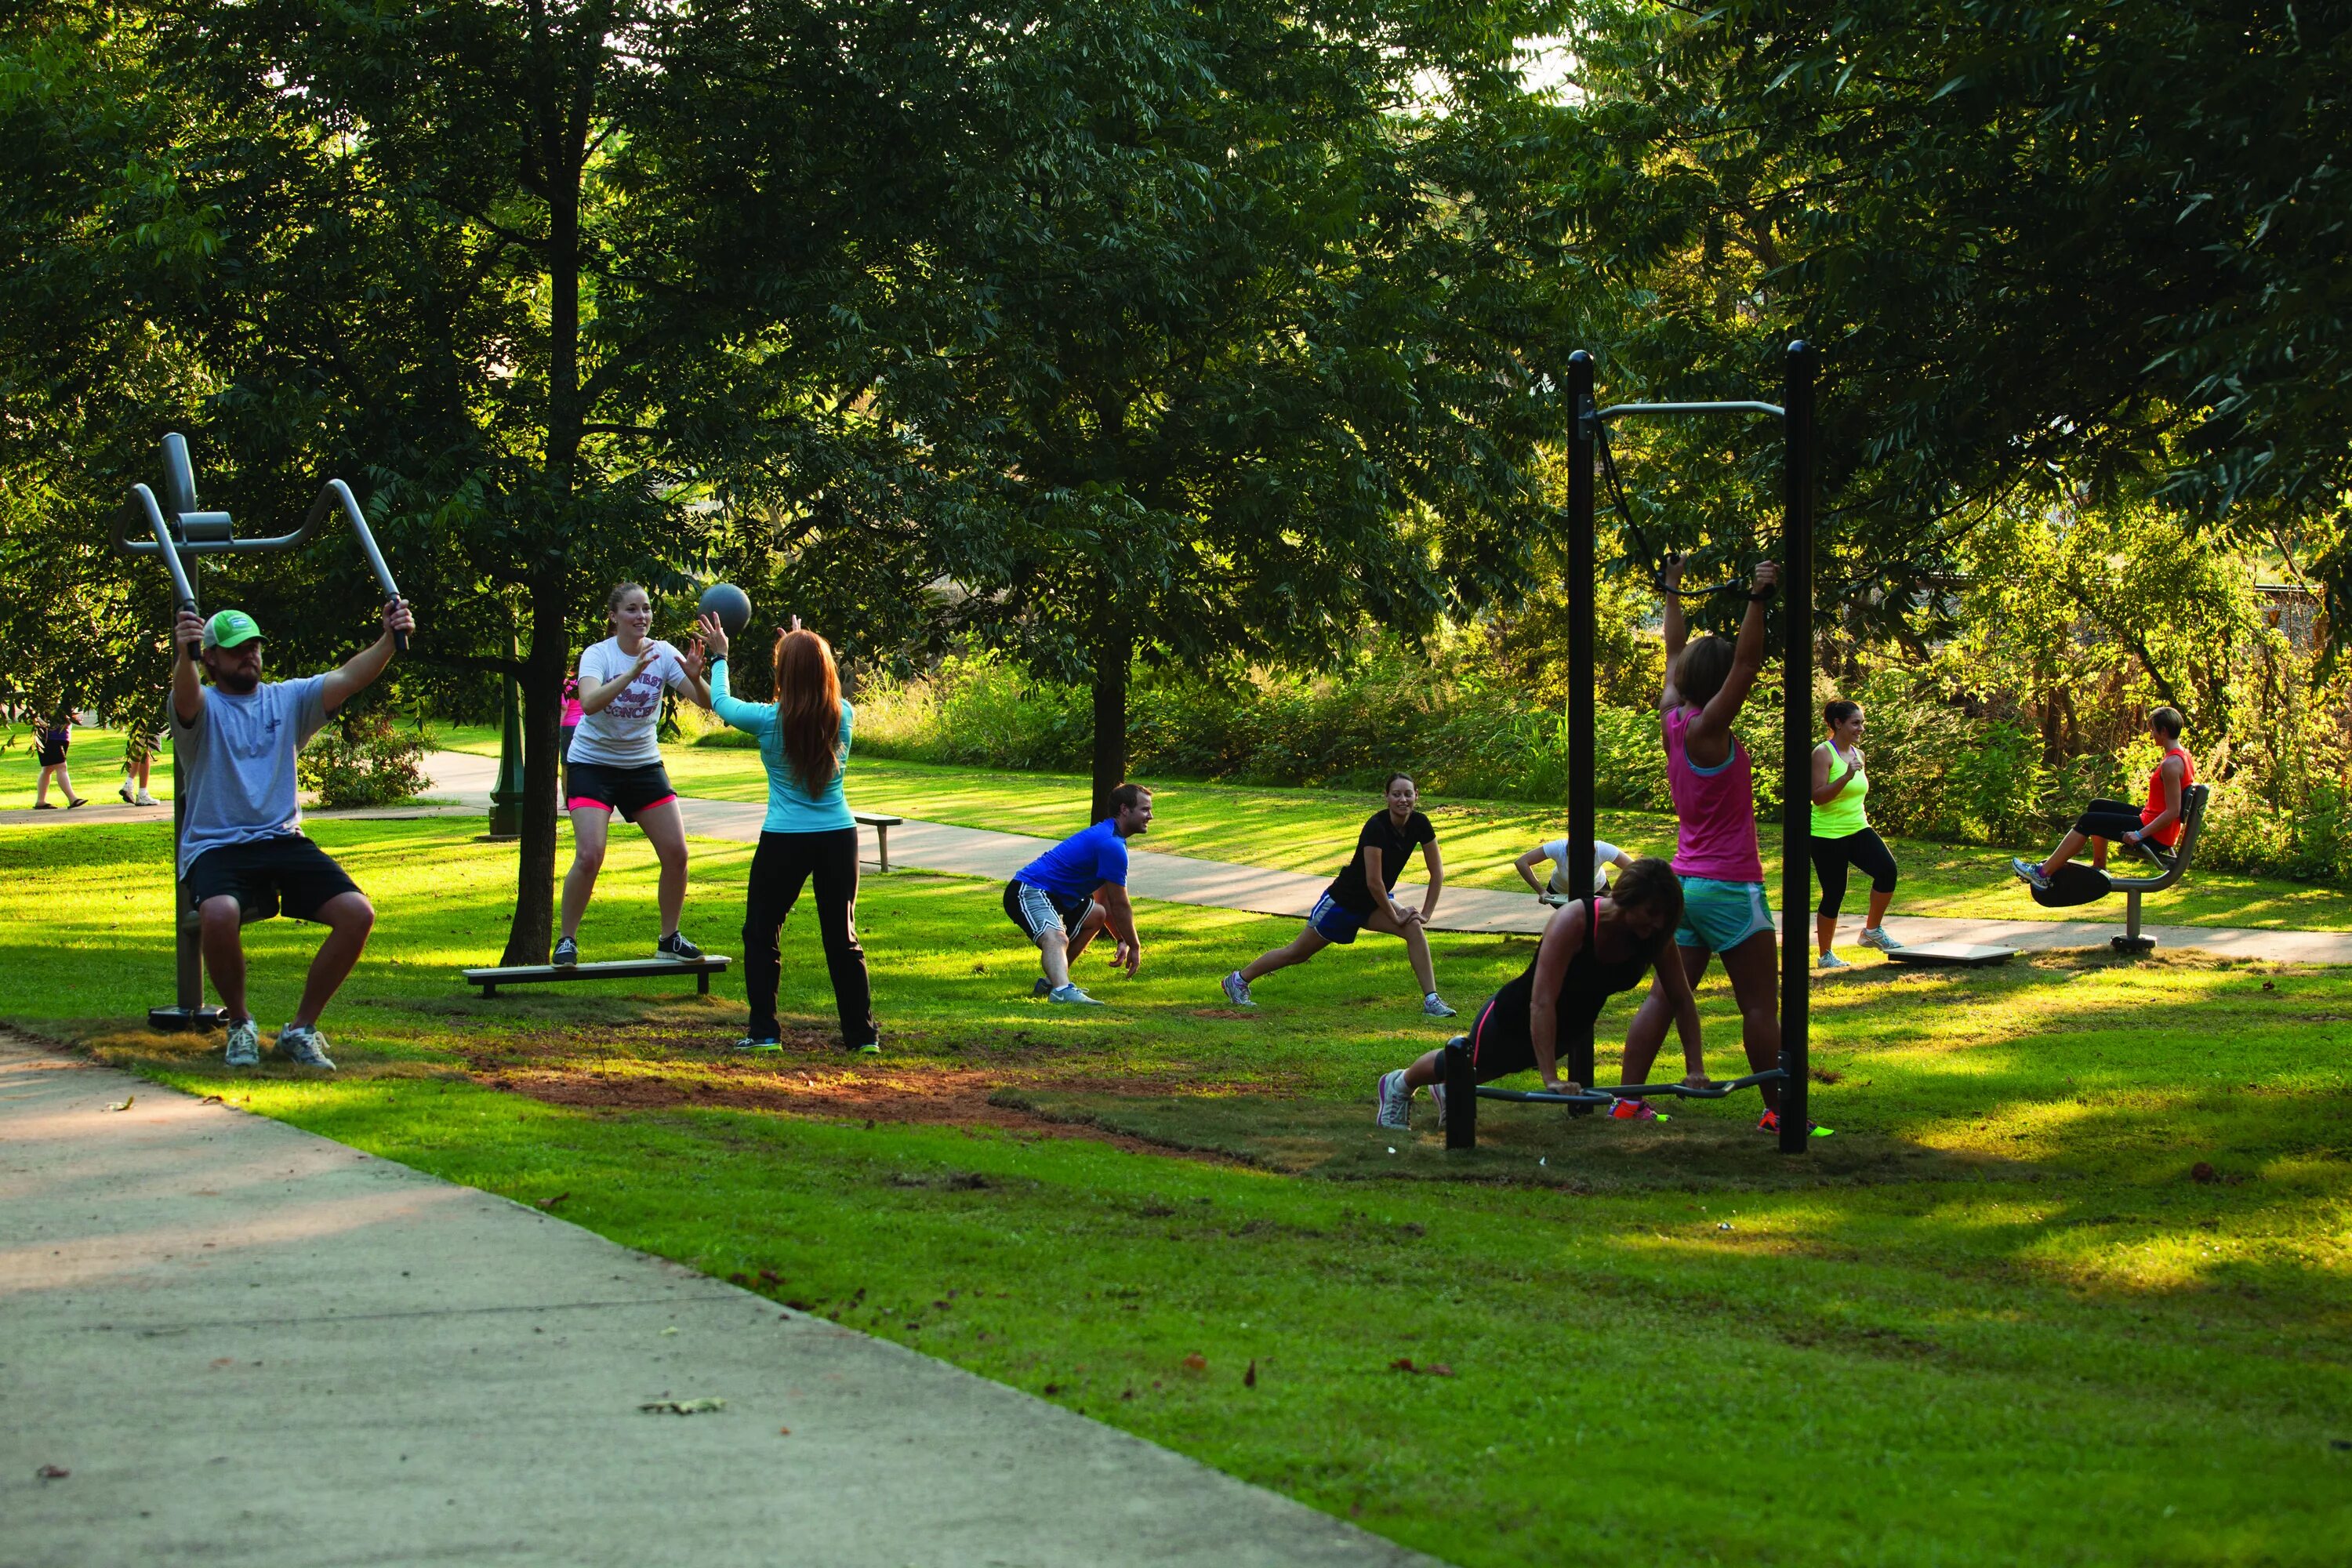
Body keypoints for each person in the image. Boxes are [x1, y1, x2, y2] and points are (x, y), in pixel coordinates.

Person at [1620, 558, 1821, 1138]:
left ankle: (1628, 1100)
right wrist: (1759, 596)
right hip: (1731, 887)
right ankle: (1781, 1113)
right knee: (1760, 1005)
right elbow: (1749, 662)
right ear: (1716, 685)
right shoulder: (1709, 730)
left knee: (1665, 997)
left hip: (1684, 887)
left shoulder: (1673, 721)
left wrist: (1675, 587)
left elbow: (1671, 652)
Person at [170, 600, 414, 1069]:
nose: (251, 656)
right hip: (217, 844)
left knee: (357, 913)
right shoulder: (202, 708)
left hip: (282, 838)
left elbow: (349, 677)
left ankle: (301, 1029)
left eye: (255, 647)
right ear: (212, 659)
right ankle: (240, 1024)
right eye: (238, 650)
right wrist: (184, 654)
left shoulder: (287, 699)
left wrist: (389, 638)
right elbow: (184, 697)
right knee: (218, 914)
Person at [1375, 858, 1704, 1128]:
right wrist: (1551, 1077)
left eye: (1664, 916)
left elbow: (1681, 999)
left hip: (1567, 1029)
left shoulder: (1654, 937)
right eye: (1650, 912)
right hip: (1515, 1016)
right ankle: (1399, 1084)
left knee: (1482, 1072)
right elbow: (1542, 999)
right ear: (1627, 897)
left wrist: (1695, 1069)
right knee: (1469, 1062)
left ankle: (1450, 1091)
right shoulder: (1575, 920)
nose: (1658, 924)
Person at [701, 608, 879, 1056]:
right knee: (843, 938)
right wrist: (802, 646)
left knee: (762, 932)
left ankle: (764, 1033)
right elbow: (810, 689)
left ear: (784, 673)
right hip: (838, 836)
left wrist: (720, 657)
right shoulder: (847, 715)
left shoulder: (767, 720)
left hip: (784, 839)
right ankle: (862, 1038)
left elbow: (721, 704)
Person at [554, 583, 710, 967]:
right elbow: (589, 703)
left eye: (646, 609)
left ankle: (669, 938)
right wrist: (632, 672)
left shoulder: (664, 653)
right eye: (632, 610)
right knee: (590, 856)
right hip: (592, 764)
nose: (641, 616)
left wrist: (696, 676)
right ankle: (566, 941)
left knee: (677, 853)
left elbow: (710, 704)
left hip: (642, 765)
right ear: (614, 616)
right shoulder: (598, 655)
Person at [1220, 773, 1456, 1017]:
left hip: (1376, 902)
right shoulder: (1376, 827)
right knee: (1297, 953)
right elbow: (1373, 882)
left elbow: (1436, 872)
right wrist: (1395, 916)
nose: (1403, 799)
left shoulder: (1420, 824)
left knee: (1414, 927)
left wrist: (1425, 914)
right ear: (1386, 797)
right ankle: (1238, 980)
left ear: (1417, 795)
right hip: (1344, 902)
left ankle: (1431, 1000)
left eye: (1408, 794)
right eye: (1396, 794)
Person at [1003, 785, 1153, 1005]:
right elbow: (1122, 905)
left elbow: (1108, 903)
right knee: (1056, 938)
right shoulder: (1110, 844)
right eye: (1144, 809)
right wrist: (1135, 946)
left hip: (1053, 896)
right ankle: (1063, 991)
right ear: (1124, 809)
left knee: (1096, 914)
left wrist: (1121, 938)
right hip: (1030, 889)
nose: (1150, 816)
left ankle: (1052, 983)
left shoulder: (1112, 839)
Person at [2014, 707, 2195, 888]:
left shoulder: (2171, 764)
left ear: (2163, 731)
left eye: (2153, 730)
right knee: (2096, 806)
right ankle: (2099, 867)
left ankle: (2042, 874)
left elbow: (2173, 812)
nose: (2152, 734)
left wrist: (2139, 834)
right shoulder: (2183, 755)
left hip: (2154, 833)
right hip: (2152, 821)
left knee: (2087, 821)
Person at [1810, 699, 1904, 967]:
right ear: (1838, 724)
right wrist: (1845, 777)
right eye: (1855, 723)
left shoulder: (1859, 755)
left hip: (1858, 828)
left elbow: (1856, 796)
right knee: (1834, 892)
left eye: (1862, 722)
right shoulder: (1822, 753)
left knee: (1887, 870)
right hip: (1827, 834)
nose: (1861, 728)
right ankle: (1825, 956)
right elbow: (1817, 797)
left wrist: (1852, 776)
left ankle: (1872, 931)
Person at [1515, 834, 1638, 906]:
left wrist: (1619, 892)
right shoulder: (1557, 848)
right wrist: (1541, 891)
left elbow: (1636, 869)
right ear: (1567, 853)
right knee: (1571, 923)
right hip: (1560, 892)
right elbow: (1521, 862)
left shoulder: (1604, 849)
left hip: (1598, 889)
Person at [32, 712, 87, 809]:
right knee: (61, 766)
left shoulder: (64, 700)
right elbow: (37, 716)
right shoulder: (45, 701)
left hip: (63, 737)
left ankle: (40, 801)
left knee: (48, 769)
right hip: (49, 738)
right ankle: (72, 799)